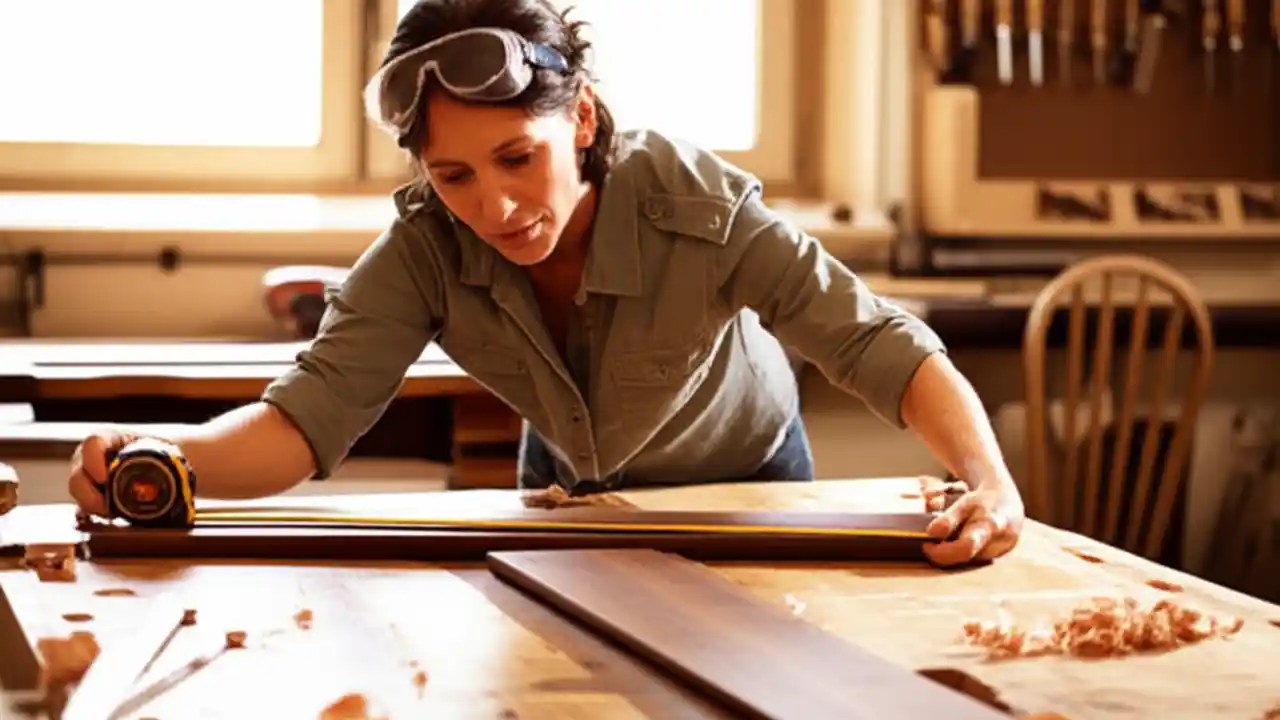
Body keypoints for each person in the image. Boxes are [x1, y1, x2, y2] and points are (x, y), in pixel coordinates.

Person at [67, 0, 1024, 567]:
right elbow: (303, 420)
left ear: (581, 120)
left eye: (517, 156)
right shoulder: (425, 247)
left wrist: (988, 480)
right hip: (568, 491)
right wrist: (162, 459)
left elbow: (877, 345)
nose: (496, 206)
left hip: (748, 482)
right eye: (455, 176)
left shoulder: (699, 203)